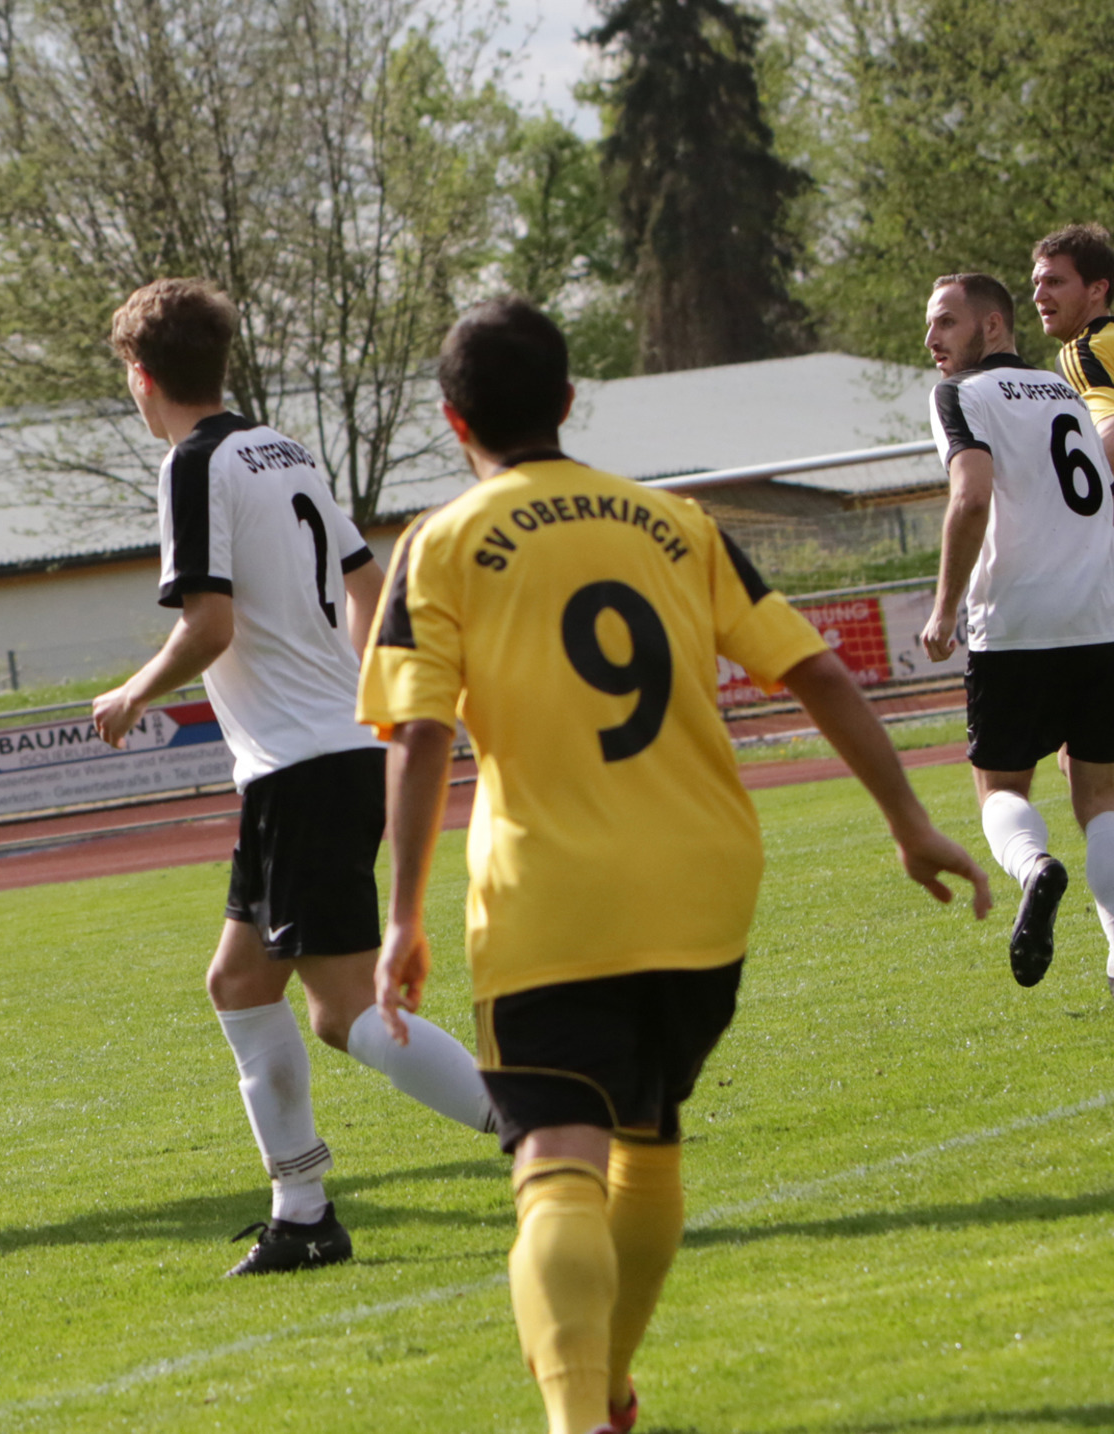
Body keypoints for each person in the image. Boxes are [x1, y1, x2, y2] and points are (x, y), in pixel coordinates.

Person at [363, 298, 987, 1434]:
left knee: (554, 1157)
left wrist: (400, 916)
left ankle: (570, 1418)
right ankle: (608, 1393)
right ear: (565, 401)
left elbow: (417, 736)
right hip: (704, 885)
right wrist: (906, 821)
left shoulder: (439, 543)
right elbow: (820, 677)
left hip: (549, 896)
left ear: (453, 419)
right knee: (644, 1143)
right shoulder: (674, 523)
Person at [89, 278, 493, 1278]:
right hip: (323, 751)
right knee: (237, 982)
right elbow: (367, 583)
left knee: (346, 1009)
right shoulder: (285, 449)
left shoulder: (191, 465)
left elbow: (209, 624)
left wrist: (132, 692)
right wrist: (362, 689)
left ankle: (543, 1134)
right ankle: (302, 1212)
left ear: (142, 379)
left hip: (301, 764)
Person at [920, 272, 1114, 995]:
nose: (933, 338)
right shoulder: (1064, 391)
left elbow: (970, 496)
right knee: (1101, 799)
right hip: (1099, 613)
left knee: (1001, 788)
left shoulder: (960, 396)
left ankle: (1037, 868)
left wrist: (945, 608)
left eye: (946, 321)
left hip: (1018, 619)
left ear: (992, 327)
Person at [1032, 223, 1114, 474]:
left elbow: (1110, 431)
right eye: (1036, 283)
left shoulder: (1082, 351)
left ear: (1097, 290)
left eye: (1054, 282)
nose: (1038, 295)